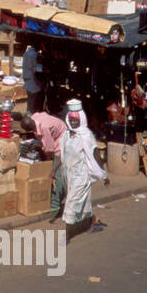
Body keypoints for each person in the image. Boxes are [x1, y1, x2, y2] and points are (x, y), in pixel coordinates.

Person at [58, 100, 107, 236]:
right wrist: (53, 171)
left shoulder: (86, 136)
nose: (73, 122)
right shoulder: (66, 135)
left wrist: (104, 174)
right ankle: (94, 220)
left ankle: (67, 235)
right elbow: (61, 153)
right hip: (69, 174)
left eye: (76, 120)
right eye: (71, 120)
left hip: (81, 175)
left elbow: (96, 153)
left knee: (71, 202)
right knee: (81, 202)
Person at [22, 42, 44, 113]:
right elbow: (36, 68)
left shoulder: (26, 53)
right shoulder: (35, 54)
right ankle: (32, 112)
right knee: (34, 96)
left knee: (30, 96)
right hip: (32, 77)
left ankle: (29, 111)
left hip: (26, 76)